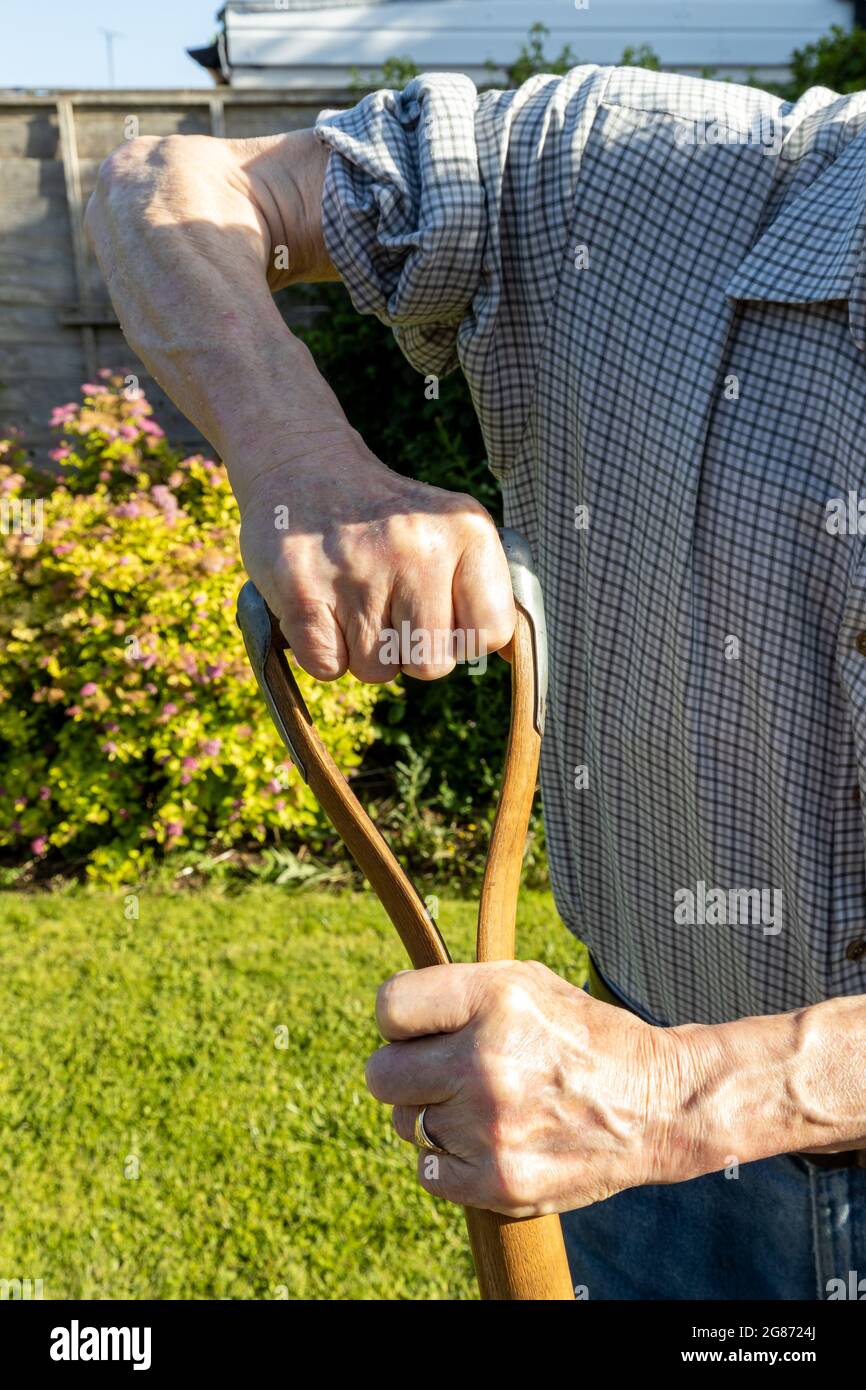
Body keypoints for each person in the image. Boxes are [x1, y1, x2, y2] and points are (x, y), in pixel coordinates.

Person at [86, 63, 866, 1300]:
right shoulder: (607, 176)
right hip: (651, 1195)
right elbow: (161, 185)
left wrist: (676, 1095)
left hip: (632, 1113)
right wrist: (297, 450)